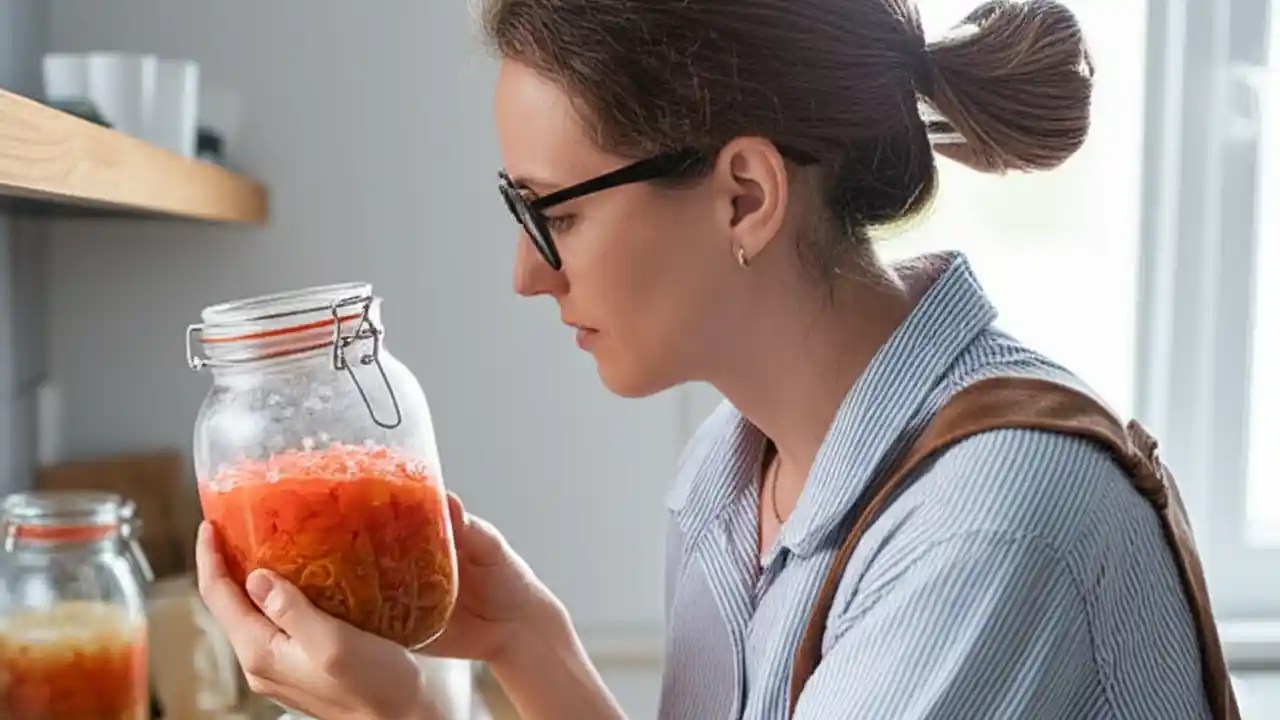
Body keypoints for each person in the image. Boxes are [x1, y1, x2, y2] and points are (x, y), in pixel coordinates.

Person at [195, 0, 1219, 718]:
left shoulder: (987, 530)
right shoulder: (730, 477)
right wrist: (529, 646)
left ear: (743, 196)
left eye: (557, 213)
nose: (526, 274)